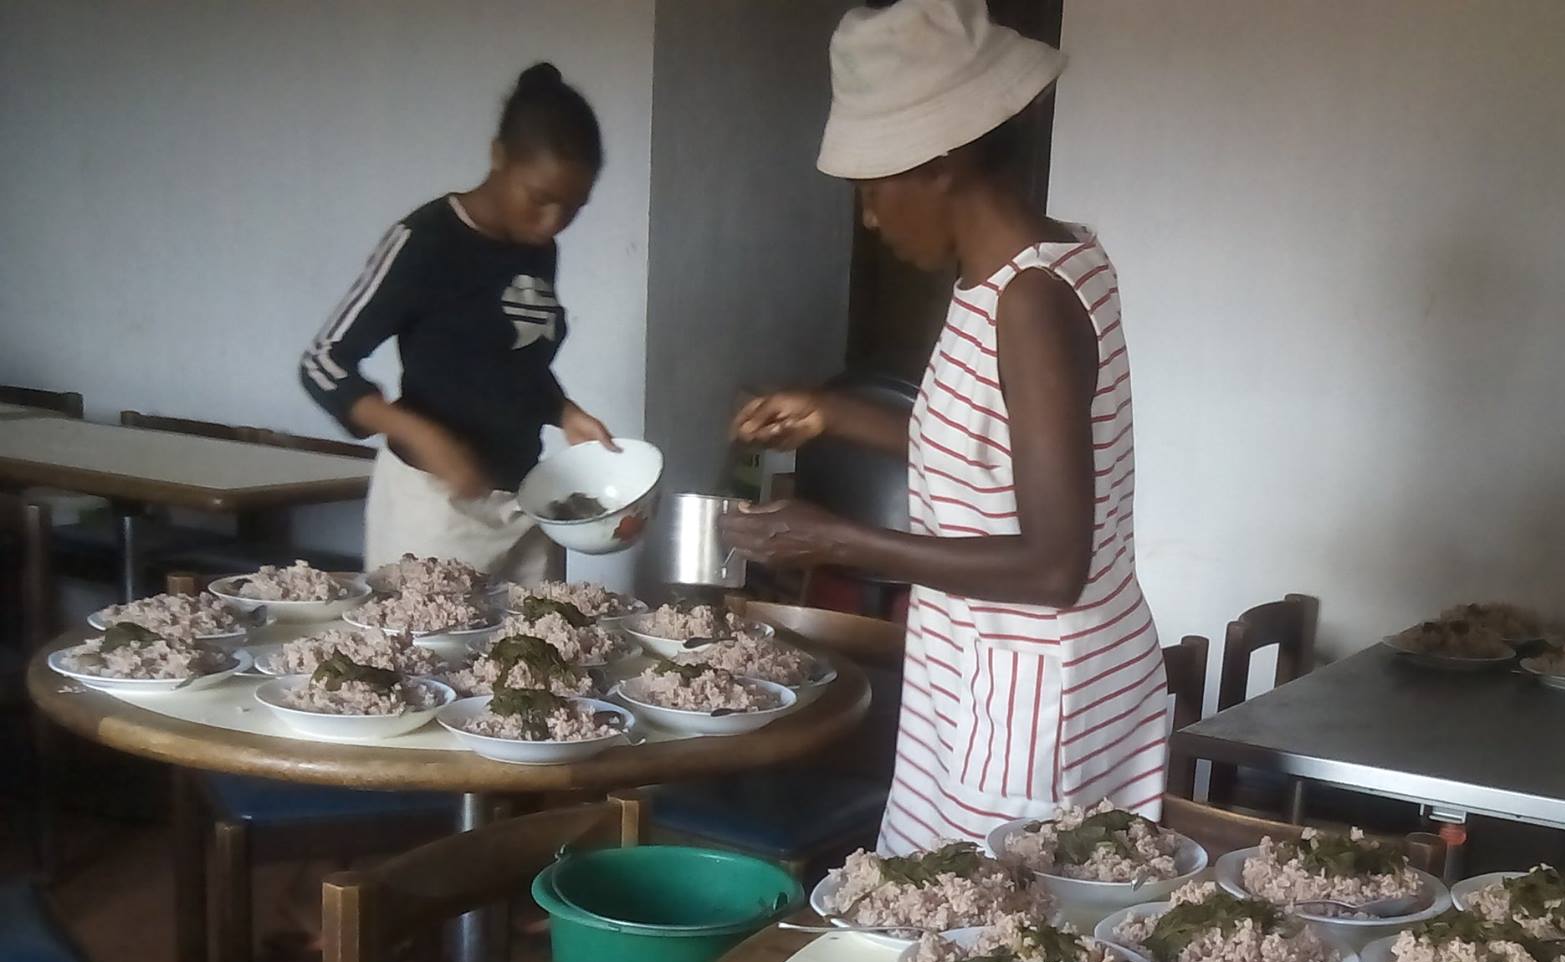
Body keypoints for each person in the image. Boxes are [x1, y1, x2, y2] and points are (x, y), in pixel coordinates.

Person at [727, 0, 1169, 854]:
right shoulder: (1015, 276)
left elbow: (1052, 564)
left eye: (872, 187)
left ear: (940, 164)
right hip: (985, 674)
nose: (869, 217)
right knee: (950, 926)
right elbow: (988, 449)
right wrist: (833, 414)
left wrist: (840, 541)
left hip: (1034, 693)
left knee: (987, 945)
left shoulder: (1031, 301)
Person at [299, 62, 617, 582]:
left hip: (525, 500)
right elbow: (322, 363)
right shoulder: (425, 241)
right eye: (540, 198)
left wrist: (564, 410)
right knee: (423, 657)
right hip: (434, 508)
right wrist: (419, 433)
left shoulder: (539, 251)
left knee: (542, 654)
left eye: (574, 207)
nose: (553, 223)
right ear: (498, 157)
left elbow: (510, 358)